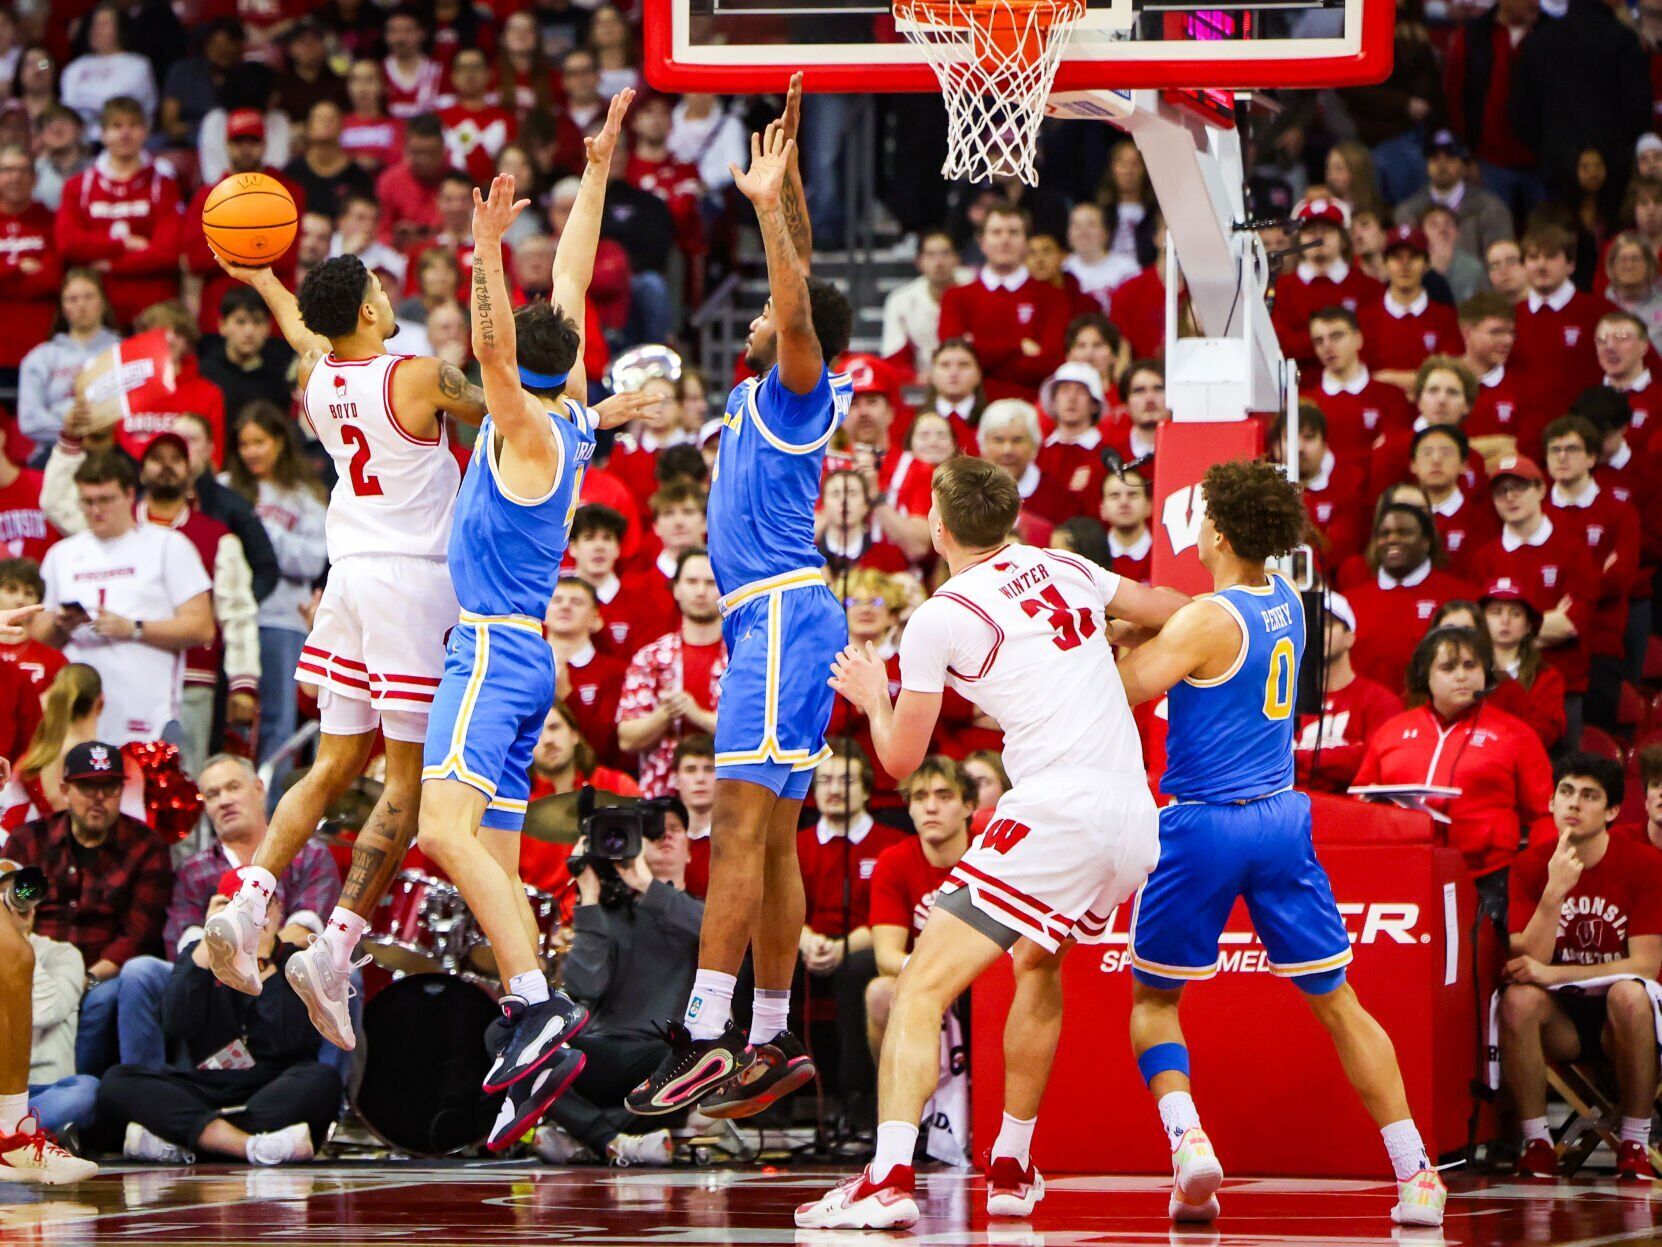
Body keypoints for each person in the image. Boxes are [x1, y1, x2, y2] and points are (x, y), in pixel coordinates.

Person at [799, 454, 1181, 1229]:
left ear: (938, 526)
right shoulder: (1064, 563)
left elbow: (901, 762)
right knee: (1037, 961)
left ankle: (888, 1178)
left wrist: (877, 697)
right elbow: (1177, 607)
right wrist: (1119, 632)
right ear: (1009, 518)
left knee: (917, 986)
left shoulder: (940, 613)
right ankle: (1010, 1162)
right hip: (1133, 814)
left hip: (1057, 808)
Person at [1115, 459, 1446, 1229]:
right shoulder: (1291, 601)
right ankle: (1417, 1173)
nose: (1194, 529)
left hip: (1204, 821)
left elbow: (1129, 685)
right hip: (1280, 818)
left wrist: (1102, 637)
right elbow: (1204, 640)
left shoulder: (1204, 618)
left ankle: (1188, 1141)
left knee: (1155, 1001)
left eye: (1201, 518)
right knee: (1338, 1002)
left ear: (1221, 533)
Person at [625, 82, 858, 1124]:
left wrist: (768, 214)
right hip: (783, 622)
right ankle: (773, 1041)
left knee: (737, 826)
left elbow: (798, 300)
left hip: (779, 619)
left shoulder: (800, 385)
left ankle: (706, 1031)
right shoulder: (763, 391)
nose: (760, 315)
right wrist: (791, 181)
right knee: (772, 837)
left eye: (767, 310)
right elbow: (801, 281)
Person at [415, 97, 641, 1150]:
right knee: (494, 858)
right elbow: (573, 291)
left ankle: (537, 1007)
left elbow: (499, 343)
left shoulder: (527, 425)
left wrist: (481, 248)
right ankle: (529, 1021)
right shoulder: (577, 410)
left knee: (438, 831)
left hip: (495, 647)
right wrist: (592, 176)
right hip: (521, 657)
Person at [200, 235, 490, 1046]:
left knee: (331, 764)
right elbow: (504, 405)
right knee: (405, 783)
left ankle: (252, 892)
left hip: (348, 576)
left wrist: (262, 276)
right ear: (369, 309)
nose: (392, 297)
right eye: (382, 289)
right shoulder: (421, 375)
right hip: (413, 582)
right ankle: (335, 946)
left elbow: (301, 330)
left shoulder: (322, 376)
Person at [1502, 753, 1661, 1180]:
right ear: (1552, 803)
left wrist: (1554, 974)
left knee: (1629, 993)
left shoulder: (1645, 866)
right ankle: (1536, 1143)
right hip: (1562, 1022)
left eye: (1590, 796)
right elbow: (1524, 962)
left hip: (1624, 1023)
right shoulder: (1530, 866)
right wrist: (1554, 893)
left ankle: (1635, 1142)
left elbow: (1645, 965)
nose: (1574, 804)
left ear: (1611, 811)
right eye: (1566, 793)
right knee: (1517, 1000)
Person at [97, 892, 339, 1166]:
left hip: (270, 1087)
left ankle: (189, 1140)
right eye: (238, 905)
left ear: (278, 911)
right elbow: (177, 1025)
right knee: (116, 1081)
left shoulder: (299, 963)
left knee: (323, 1080)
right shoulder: (199, 956)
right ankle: (250, 1145)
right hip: (201, 1087)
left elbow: (286, 1040)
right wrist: (206, 949)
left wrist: (263, 959)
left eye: (262, 905)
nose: (251, 916)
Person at [535, 806, 705, 1167]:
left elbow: (714, 934)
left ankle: (584, 1137)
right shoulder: (607, 914)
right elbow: (586, 986)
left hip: (661, 1055)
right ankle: (612, 1139)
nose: (664, 837)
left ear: (691, 850)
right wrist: (589, 898)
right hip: (599, 1052)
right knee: (508, 1034)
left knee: (702, 1059)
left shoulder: (706, 912)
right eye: (653, 831)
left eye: (675, 829)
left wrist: (647, 885)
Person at [5, 741, 174, 1077]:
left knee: (102, 1001)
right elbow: (7, 913)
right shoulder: (28, 841)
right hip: (35, 962)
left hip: (103, 975)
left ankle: (84, 1097)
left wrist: (86, 979)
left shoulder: (147, 846)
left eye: (108, 787)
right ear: (65, 789)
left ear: (120, 790)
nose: (98, 797)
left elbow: (139, 935)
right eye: (87, 786)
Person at [1354, 626, 1552, 912]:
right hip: (1402, 874)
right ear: (1426, 676)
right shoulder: (1392, 731)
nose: (1462, 675)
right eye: (1448, 667)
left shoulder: (1515, 734)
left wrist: (1534, 874)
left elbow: (1544, 815)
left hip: (1490, 880)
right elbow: (1359, 800)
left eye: (1471, 665)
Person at [28, 452, 214, 745]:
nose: (96, 510)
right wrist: (61, 624)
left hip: (149, 712)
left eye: (105, 500)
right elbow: (39, 638)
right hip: (79, 716)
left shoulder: (167, 545)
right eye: (87, 502)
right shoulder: (61, 554)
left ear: (130, 495)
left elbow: (202, 627)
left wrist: (134, 628)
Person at [222, 403, 328, 766]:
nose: (251, 451)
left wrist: (262, 534)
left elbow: (315, 560)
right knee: (232, 721)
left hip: (282, 619)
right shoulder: (224, 488)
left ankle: (271, 813)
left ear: (280, 441)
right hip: (232, 620)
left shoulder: (304, 495)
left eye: (259, 442)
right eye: (244, 444)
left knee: (278, 720)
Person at [166, 755, 339, 959]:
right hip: (213, 981)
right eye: (213, 795)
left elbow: (307, 931)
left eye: (233, 787)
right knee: (142, 971)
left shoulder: (309, 853)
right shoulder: (192, 870)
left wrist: (252, 962)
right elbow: (186, 947)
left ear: (259, 788)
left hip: (290, 971)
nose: (224, 801)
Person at [0, 843, 101, 1182]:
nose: (13, 901)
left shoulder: (62, 953)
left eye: (15, 891)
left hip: (45, 1084)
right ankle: (14, 1134)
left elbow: (44, 1010)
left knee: (85, 1090)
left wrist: (19, 944)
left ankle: (16, 1133)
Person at [865, 758, 974, 1063]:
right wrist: (933, 974)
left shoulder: (989, 857)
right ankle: (890, 1102)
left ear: (968, 806)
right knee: (880, 993)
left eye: (944, 796)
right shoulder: (894, 861)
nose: (931, 807)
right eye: (920, 797)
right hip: (920, 975)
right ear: (909, 808)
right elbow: (886, 957)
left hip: (983, 977)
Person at [51, 97, 183, 328]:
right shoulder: (79, 186)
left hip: (151, 308)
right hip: (96, 311)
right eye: (116, 126)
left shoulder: (163, 185)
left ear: (145, 131)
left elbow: (167, 252)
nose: (125, 134)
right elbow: (68, 243)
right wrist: (122, 244)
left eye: (132, 125)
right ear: (102, 133)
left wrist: (111, 265)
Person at [615, 549, 725, 798]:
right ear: (676, 589)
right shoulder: (650, 659)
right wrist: (665, 714)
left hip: (728, 795)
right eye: (691, 582)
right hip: (660, 799)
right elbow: (627, 739)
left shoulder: (742, 659)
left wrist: (697, 715)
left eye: (710, 583)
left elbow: (755, 733)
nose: (700, 591)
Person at [938, 204, 1068, 402]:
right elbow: (954, 362)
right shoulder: (956, 298)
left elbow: (1050, 363)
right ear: (982, 242)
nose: (1005, 240)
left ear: (1026, 242)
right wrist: (1018, 347)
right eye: (996, 232)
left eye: (1014, 232)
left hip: (1034, 408)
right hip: (973, 409)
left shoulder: (1053, 298)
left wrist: (979, 351)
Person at [1295, 591, 1404, 793]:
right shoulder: (1286, 699)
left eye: (1327, 623)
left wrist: (1299, 758)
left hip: (1352, 814)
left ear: (1350, 637)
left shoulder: (1381, 702)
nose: (1316, 631)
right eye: (1309, 623)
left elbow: (1375, 762)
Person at [17, 269, 121, 455]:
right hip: (55, 450)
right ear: (63, 307)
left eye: (89, 297)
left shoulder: (124, 351)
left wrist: (101, 433)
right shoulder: (41, 357)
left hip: (112, 448)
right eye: (72, 299)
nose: (81, 305)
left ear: (103, 302)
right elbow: (30, 420)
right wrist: (72, 433)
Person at [881, 232, 962, 380]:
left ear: (957, 258)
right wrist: (915, 377)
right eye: (930, 255)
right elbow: (893, 357)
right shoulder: (900, 300)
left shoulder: (975, 290)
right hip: (920, 381)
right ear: (919, 262)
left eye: (945, 253)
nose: (939, 262)